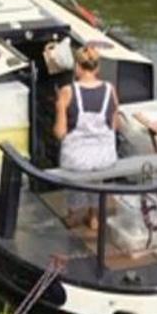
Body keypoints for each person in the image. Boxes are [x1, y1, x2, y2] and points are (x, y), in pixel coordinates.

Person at [54, 46, 119, 231]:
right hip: (105, 158)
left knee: (76, 166)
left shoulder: (68, 91)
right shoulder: (110, 89)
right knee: (95, 170)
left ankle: (74, 213)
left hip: (78, 160)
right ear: (97, 68)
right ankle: (94, 215)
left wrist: (59, 107)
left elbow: (60, 132)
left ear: (77, 67)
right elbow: (114, 126)